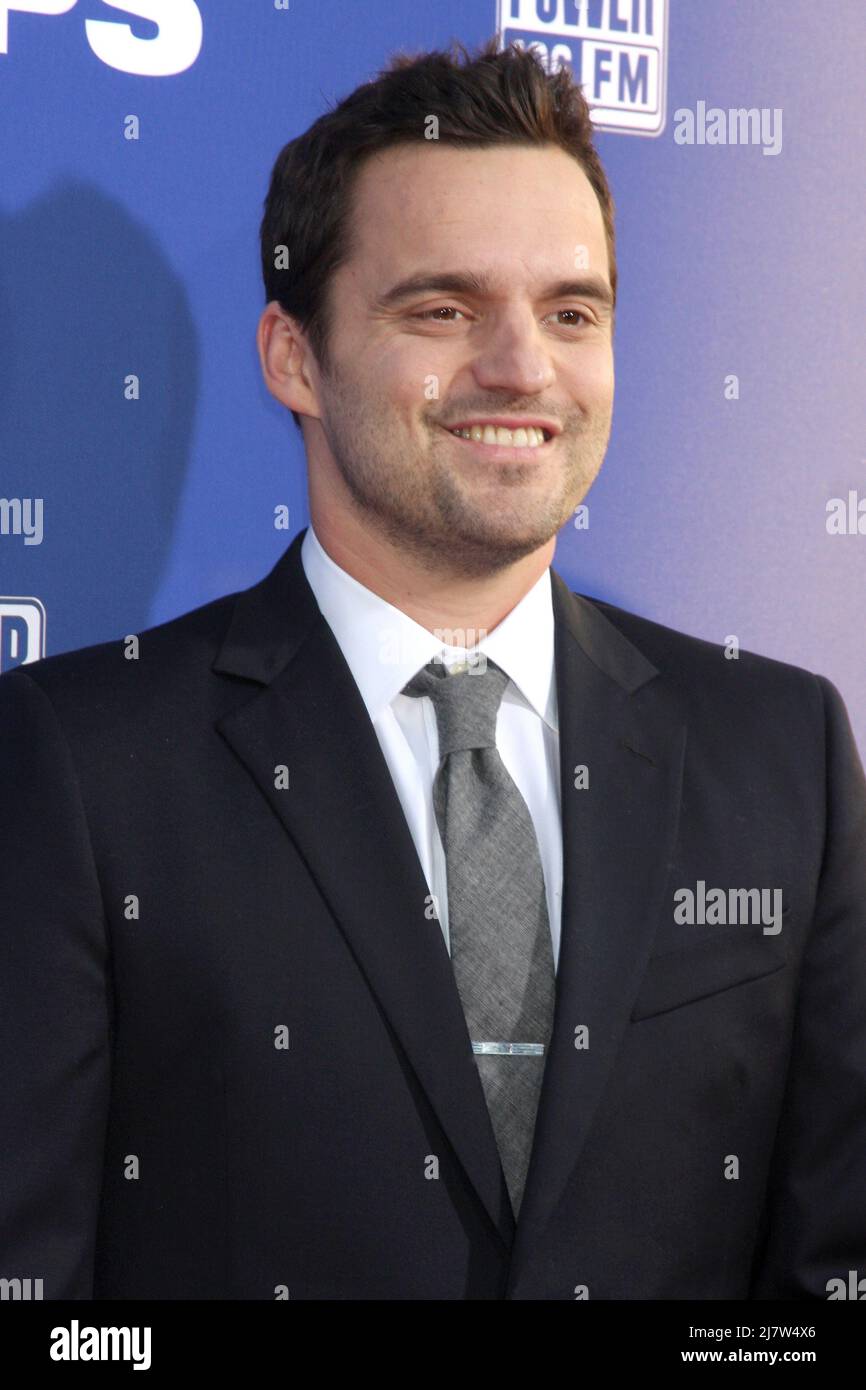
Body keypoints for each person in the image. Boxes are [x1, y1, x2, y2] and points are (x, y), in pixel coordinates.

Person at [1, 37, 865, 1301]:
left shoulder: (777, 753)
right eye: (443, 309)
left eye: (571, 313)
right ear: (294, 356)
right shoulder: (82, 764)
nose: (522, 367)